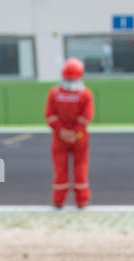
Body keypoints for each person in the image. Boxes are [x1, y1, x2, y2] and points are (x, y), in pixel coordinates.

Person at [46, 57, 94, 209]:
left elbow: (49, 115)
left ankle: (58, 201)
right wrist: (75, 132)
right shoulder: (85, 94)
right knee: (80, 168)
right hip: (79, 137)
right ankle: (81, 200)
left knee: (60, 170)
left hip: (59, 137)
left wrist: (61, 131)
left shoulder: (54, 93)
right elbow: (86, 116)